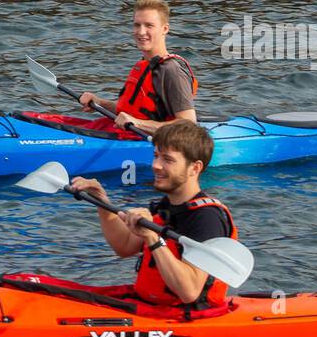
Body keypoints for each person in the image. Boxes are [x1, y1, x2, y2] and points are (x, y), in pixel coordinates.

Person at [70, 121, 237, 312]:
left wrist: (152, 238)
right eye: (156, 156)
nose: (156, 165)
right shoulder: (164, 207)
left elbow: (189, 291)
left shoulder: (206, 218)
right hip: (150, 307)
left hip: (186, 317)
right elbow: (124, 247)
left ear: (195, 168)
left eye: (168, 159)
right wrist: (102, 202)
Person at [78, 0, 197, 134]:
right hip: (127, 135)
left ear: (164, 29)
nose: (141, 32)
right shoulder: (145, 65)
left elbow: (188, 125)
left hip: (148, 142)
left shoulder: (172, 71)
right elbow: (132, 112)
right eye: (137, 25)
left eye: (149, 25)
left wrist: (138, 124)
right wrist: (100, 102)